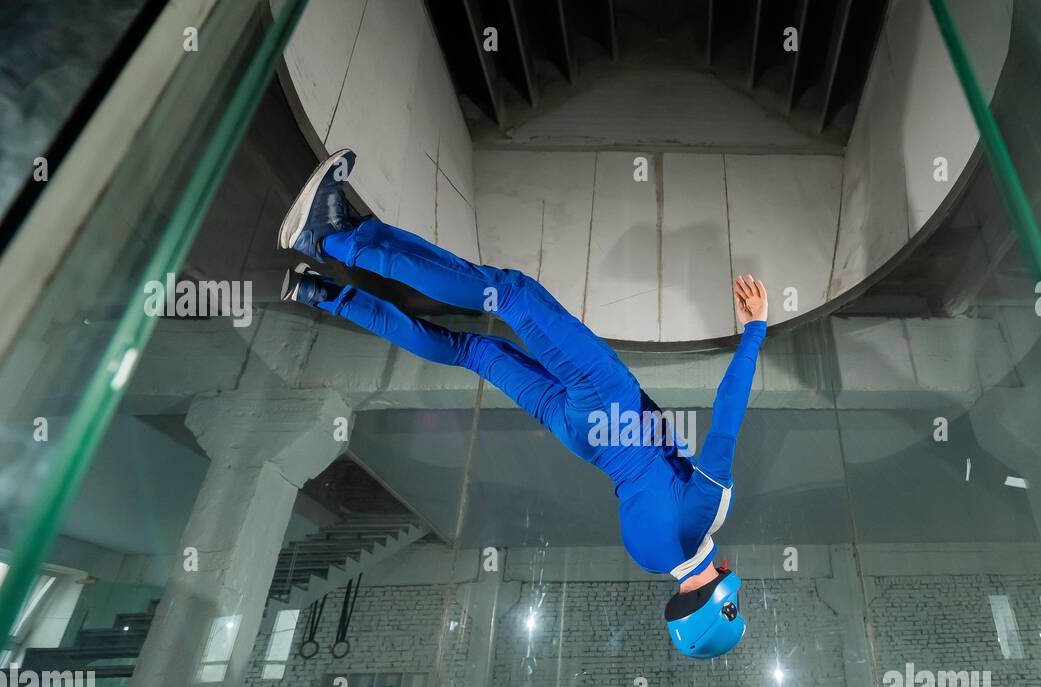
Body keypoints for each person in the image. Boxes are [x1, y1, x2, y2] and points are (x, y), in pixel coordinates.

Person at [278, 149, 767, 659]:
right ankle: (318, 293)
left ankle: (332, 237)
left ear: (722, 593)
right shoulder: (649, 558)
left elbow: (728, 414)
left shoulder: (705, 518)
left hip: (610, 406)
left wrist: (755, 328)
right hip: (585, 441)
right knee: (474, 352)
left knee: (512, 296)